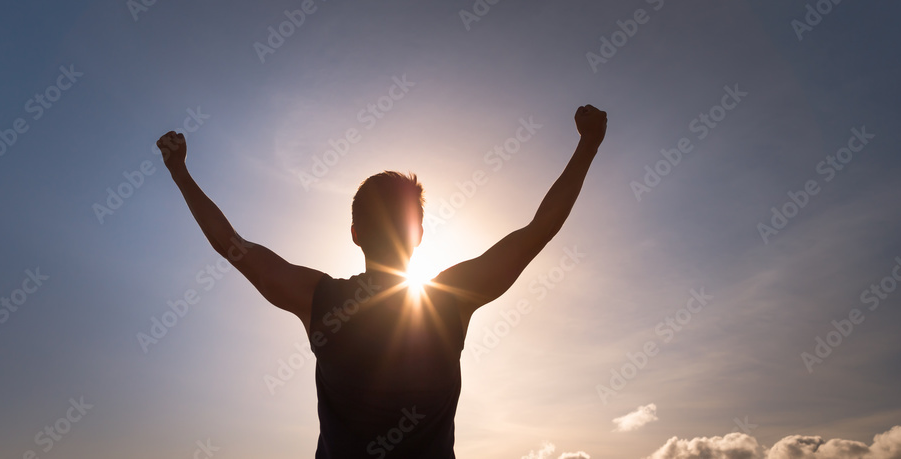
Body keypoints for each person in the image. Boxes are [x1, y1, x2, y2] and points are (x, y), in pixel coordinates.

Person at [157, 104, 607, 458]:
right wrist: (588, 144)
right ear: (420, 235)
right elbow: (538, 230)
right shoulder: (450, 301)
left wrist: (180, 172)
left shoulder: (319, 298)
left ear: (354, 233)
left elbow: (230, 244)